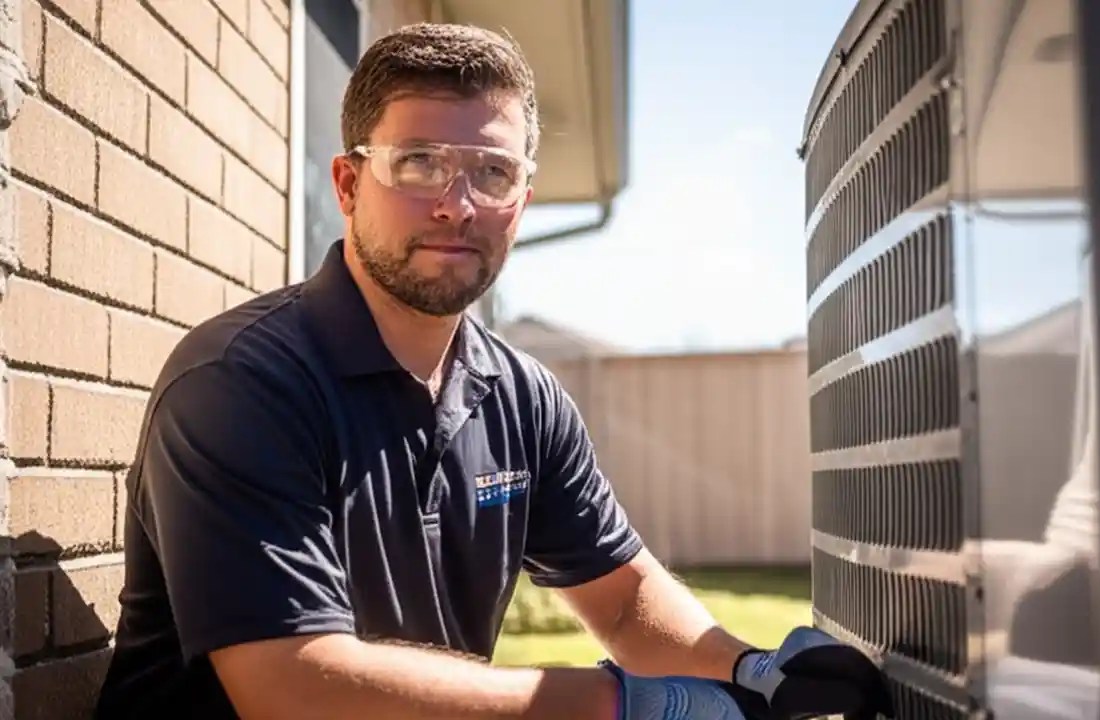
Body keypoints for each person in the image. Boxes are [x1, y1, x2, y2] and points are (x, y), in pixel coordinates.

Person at [93, 22, 891, 720]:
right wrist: (617, 704)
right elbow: (292, 690)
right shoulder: (240, 383)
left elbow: (625, 598)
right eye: (419, 164)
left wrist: (749, 669)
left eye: (492, 172)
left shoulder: (520, 397)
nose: (458, 203)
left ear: (523, 198)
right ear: (347, 183)